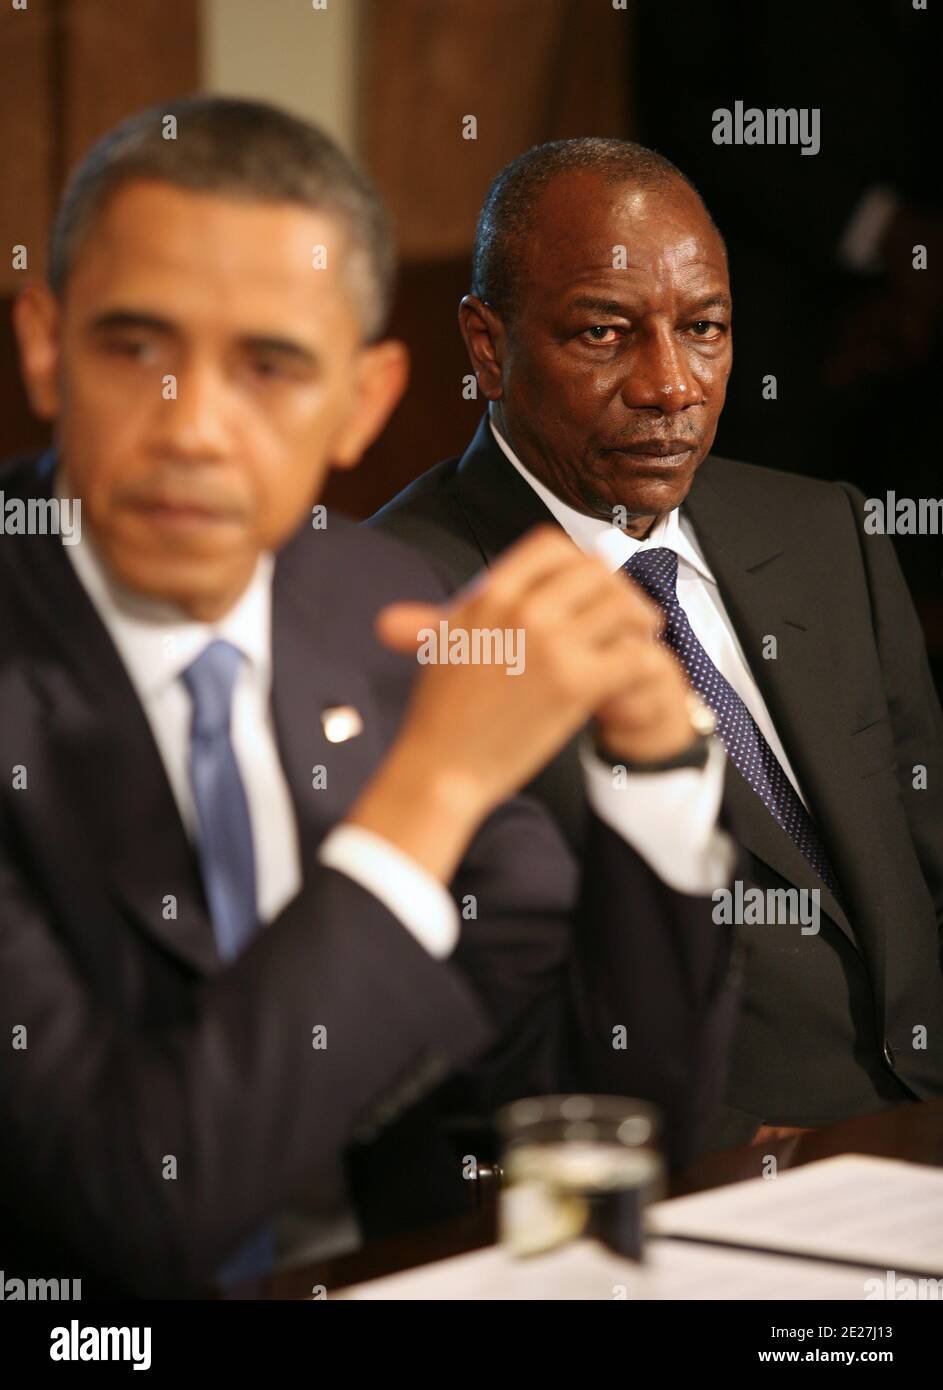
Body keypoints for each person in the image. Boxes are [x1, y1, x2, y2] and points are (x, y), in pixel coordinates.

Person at [0, 103, 736, 1298]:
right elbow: (137, 1208)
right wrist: (428, 797)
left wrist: (654, 774)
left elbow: (598, 1107)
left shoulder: (374, 603)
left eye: (270, 366)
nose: (191, 429)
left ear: (362, 399)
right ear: (44, 345)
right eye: (135, 348)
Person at [370, 137, 943, 1150]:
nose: (671, 384)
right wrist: (713, 1154)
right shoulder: (405, 604)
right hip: (697, 1175)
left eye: (704, 329)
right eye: (604, 332)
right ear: (489, 346)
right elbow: (454, 1023)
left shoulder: (826, 534)